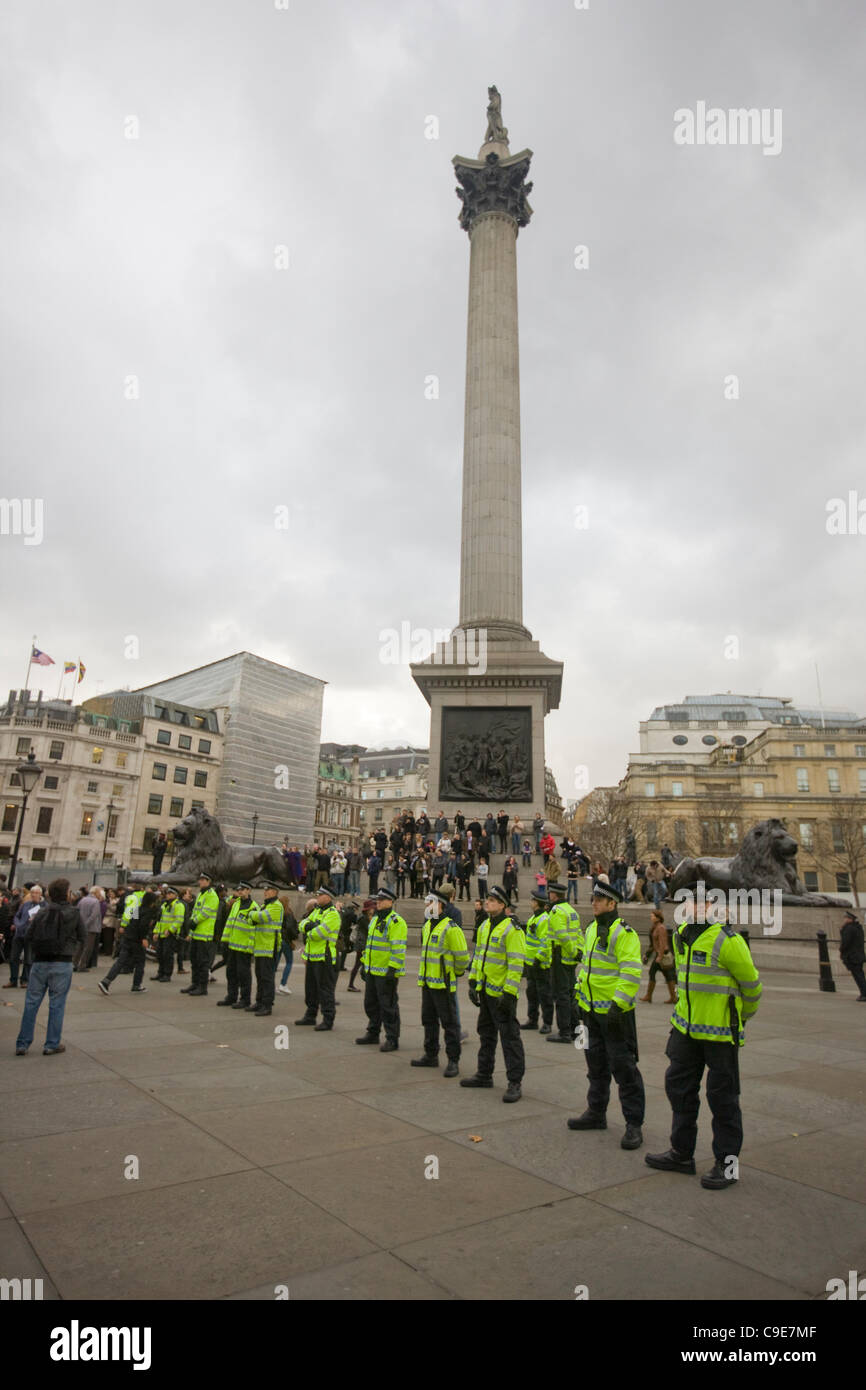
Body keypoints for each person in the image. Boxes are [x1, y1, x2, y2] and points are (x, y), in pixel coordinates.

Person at [646, 899, 762, 1189]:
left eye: (703, 901)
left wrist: (739, 1019)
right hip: (685, 1031)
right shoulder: (683, 934)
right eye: (692, 901)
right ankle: (681, 1153)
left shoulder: (727, 940)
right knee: (680, 1090)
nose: (695, 906)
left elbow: (752, 987)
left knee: (723, 1100)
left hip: (720, 1034)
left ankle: (728, 1165)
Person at [569, 881, 645, 1150]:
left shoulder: (623, 933)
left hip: (614, 1016)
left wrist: (618, 1005)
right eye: (594, 898)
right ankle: (596, 1113)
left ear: (612, 903)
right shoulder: (591, 929)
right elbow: (586, 969)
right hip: (591, 1014)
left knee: (624, 1070)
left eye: (600, 899)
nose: (594, 903)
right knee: (595, 1066)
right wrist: (578, 997)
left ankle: (633, 1124)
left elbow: (631, 973)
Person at [461, 885, 526, 1102]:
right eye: (487, 899)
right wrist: (473, 981)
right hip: (486, 990)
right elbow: (479, 956)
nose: (487, 902)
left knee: (509, 1038)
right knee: (486, 1034)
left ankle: (514, 1082)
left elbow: (516, 964)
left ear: (502, 904)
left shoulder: (512, 929)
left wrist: (509, 994)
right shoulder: (485, 926)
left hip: (502, 995)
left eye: (492, 900)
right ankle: (484, 1074)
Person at [15, 878, 85, 1056]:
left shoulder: (41, 912)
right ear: (67, 893)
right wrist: (72, 949)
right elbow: (82, 937)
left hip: (40, 961)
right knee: (57, 1004)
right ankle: (52, 1043)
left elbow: (28, 935)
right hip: (62, 961)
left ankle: (23, 1043)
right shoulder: (73, 912)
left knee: (31, 1003)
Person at [411, 889, 469, 1076]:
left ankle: (453, 1060)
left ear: (441, 905)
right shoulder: (428, 925)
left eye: (431, 903)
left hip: (443, 983)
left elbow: (462, 957)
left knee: (449, 1023)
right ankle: (431, 1055)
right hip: (428, 982)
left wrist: (454, 973)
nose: (427, 906)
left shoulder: (451, 927)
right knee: (428, 1020)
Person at [355, 887, 407, 1052]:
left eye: (381, 900)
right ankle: (373, 1032)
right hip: (372, 970)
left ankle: (392, 1038)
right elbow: (369, 946)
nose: (377, 902)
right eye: (377, 900)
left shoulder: (396, 921)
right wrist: (364, 964)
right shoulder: (375, 919)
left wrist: (392, 969)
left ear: (390, 902)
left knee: (388, 1006)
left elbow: (398, 948)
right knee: (370, 1004)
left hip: (386, 972)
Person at [296, 885, 341, 1030]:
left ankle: (328, 1019)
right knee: (310, 989)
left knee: (325, 990)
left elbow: (319, 933)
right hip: (311, 956)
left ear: (328, 897)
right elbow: (301, 924)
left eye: (320, 895)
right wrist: (310, 926)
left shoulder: (333, 914)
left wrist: (309, 928)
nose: (317, 897)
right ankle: (310, 1015)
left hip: (324, 956)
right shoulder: (316, 911)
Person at [99, 890, 159, 995]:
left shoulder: (137, 909)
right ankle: (136, 985)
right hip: (136, 940)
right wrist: (144, 938)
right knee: (140, 962)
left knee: (120, 961)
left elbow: (132, 922)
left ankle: (106, 981)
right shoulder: (148, 911)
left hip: (128, 937)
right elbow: (143, 926)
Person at [544, 881, 583, 1043]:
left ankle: (564, 1032)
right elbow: (579, 934)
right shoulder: (571, 910)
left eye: (550, 893)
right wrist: (578, 951)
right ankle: (575, 1029)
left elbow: (562, 935)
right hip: (570, 959)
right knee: (569, 994)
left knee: (561, 996)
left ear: (553, 895)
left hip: (560, 956)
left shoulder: (556, 911)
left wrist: (572, 951)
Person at [216, 882, 258, 1009]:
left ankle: (245, 999)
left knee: (244, 974)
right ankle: (231, 996)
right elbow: (230, 923)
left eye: (243, 889)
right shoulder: (236, 904)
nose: (240, 892)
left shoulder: (254, 907)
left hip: (244, 946)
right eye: (239, 889)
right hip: (232, 944)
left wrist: (250, 947)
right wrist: (225, 940)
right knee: (231, 972)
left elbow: (254, 930)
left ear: (249, 891)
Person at [520, 887, 553, 1032]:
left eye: (533, 900)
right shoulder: (534, 918)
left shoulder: (544, 919)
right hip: (530, 963)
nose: (531, 902)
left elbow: (545, 941)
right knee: (531, 993)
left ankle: (547, 1023)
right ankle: (532, 1020)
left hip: (540, 964)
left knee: (544, 995)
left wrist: (538, 959)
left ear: (538, 902)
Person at [248, 882, 283, 1016]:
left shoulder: (276, 906)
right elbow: (251, 921)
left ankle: (267, 1005)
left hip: (269, 946)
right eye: (265, 890)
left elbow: (261, 917)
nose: (265, 892)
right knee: (260, 976)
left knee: (267, 977)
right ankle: (259, 1001)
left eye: (268, 890)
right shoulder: (265, 905)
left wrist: (253, 914)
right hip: (260, 945)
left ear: (275, 892)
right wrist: (253, 916)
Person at [182, 872, 220, 996]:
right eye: (201, 880)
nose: (201, 882)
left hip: (205, 934)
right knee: (194, 960)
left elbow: (205, 912)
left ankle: (202, 987)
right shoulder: (200, 894)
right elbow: (195, 911)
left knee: (202, 962)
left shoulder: (211, 895)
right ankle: (195, 983)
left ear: (209, 882)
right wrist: (191, 930)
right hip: (197, 933)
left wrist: (194, 921)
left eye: (204, 880)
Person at [6, 887, 42, 988]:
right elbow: (17, 916)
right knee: (13, 957)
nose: (33, 895)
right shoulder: (25, 904)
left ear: (40, 894)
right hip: (19, 934)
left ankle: (24, 980)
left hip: (31, 936)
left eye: (36, 893)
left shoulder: (43, 906)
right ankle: (13, 980)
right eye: (32, 893)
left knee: (28, 959)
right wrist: (18, 924)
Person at [640, 908, 678, 1004]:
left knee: (655, 973)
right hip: (660, 954)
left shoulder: (661, 928)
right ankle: (673, 997)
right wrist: (647, 955)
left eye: (653, 916)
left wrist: (660, 957)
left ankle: (649, 995)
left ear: (658, 918)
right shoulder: (655, 927)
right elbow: (653, 944)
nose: (651, 917)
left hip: (663, 955)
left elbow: (662, 943)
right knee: (668, 976)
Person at [151, 886, 185, 982]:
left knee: (167, 955)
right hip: (162, 934)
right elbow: (160, 920)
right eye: (167, 894)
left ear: (176, 895)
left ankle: (167, 974)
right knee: (160, 954)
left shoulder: (178, 905)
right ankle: (160, 972)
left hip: (170, 935)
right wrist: (156, 932)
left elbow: (179, 920)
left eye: (170, 894)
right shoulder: (164, 905)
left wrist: (170, 930)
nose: (168, 895)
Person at [347, 898, 374, 992]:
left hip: (363, 943)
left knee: (361, 965)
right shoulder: (363, 918)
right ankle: (351, 985)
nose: (374, 909)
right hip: (362, 944)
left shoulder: (366, 917)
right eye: (372, 908)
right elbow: (370, 929)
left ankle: (352, 984)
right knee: (360, 965)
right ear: (368, 909)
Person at [839, 909, 866, 1000]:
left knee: (858, 976)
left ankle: (864, 994)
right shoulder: (858, 927)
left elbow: (845, 942)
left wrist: (841, 950)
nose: (844, 919)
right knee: (860, 975)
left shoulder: (849, 928)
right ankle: (863, 993)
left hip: (853, 956)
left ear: (849, 919)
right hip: (859, 955)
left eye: (845, 918)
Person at [276, 899, 299, 994]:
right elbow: (290, 927)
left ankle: (271, 985)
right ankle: (283, 984)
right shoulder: (288, 913)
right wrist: (294, 937)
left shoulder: (277, 912)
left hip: (278, 939)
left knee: (275, 963)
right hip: (286, 940)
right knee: (289, 962)